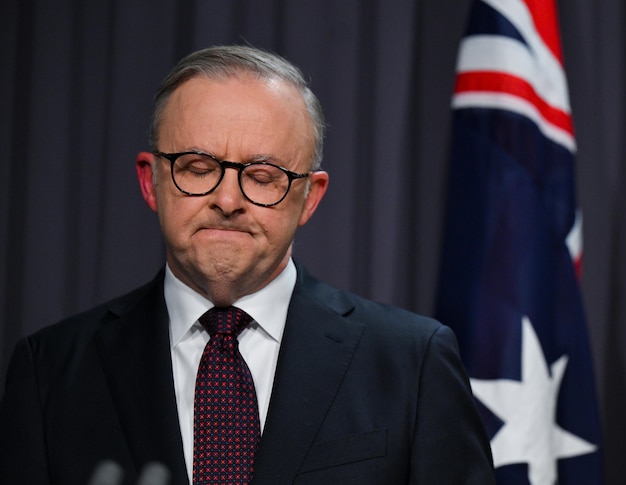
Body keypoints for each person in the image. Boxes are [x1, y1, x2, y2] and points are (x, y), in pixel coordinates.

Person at [0, 45, 494, 485]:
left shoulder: (413, 364)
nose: (228, 199)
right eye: (198, 167)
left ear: (309, 198)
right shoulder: (50, 372)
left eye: (262, 176)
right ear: (151, 182)